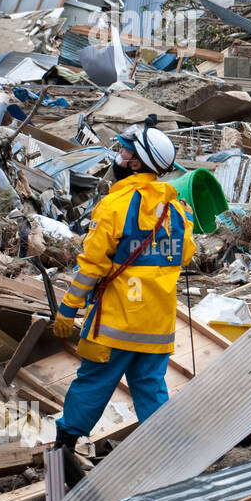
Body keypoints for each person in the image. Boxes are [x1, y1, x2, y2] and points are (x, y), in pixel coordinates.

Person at [51, 118, 194, 474]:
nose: (117, 156)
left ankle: (62, 455)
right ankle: (171, 463)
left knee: (92, 385)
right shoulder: (176, 209)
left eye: (124, 152)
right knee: (151, 390)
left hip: (115, 322)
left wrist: (68, 309)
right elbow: (186, 254)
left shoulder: (114, 208)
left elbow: (91, 266)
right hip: (157, 325)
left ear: (136, 163)